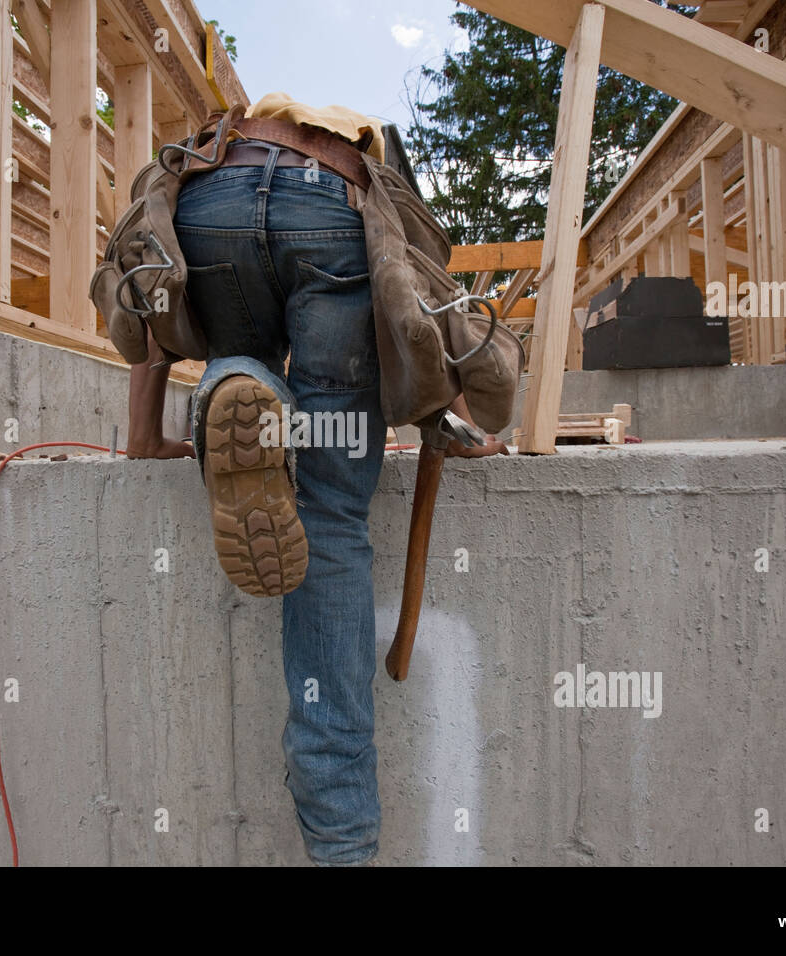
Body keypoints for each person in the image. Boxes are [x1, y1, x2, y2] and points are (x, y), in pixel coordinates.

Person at [125, 93, 504, 866]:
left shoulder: (215, 139)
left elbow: (150, 288)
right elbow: (423, 298)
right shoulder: (360, 152)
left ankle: (229, 388)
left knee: (245, 362)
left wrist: (145, 437)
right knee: (331, 514)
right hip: (329, 211)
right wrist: (469, 420)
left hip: (210, 208)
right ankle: (343, 848)